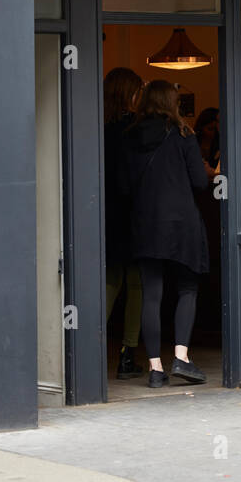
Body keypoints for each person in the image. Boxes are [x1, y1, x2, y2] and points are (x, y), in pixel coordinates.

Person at [122, 80, 211, 387]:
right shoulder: (184, 135)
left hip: (146, 222)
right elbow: (200, 181)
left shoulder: (130, 137)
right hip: (181, 222)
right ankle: (182, 357)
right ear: (172, 102)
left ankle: (155, 368)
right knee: (188, 287)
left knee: (151, 294)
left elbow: (123, 186)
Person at [103, 67, 144, 380]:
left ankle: (91, 345)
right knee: (136, 283)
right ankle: (128, 354)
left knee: (111, 279)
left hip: (105, 210)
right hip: (133, 211)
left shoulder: (96, 122)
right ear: (131, 93)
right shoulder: (134, 126)